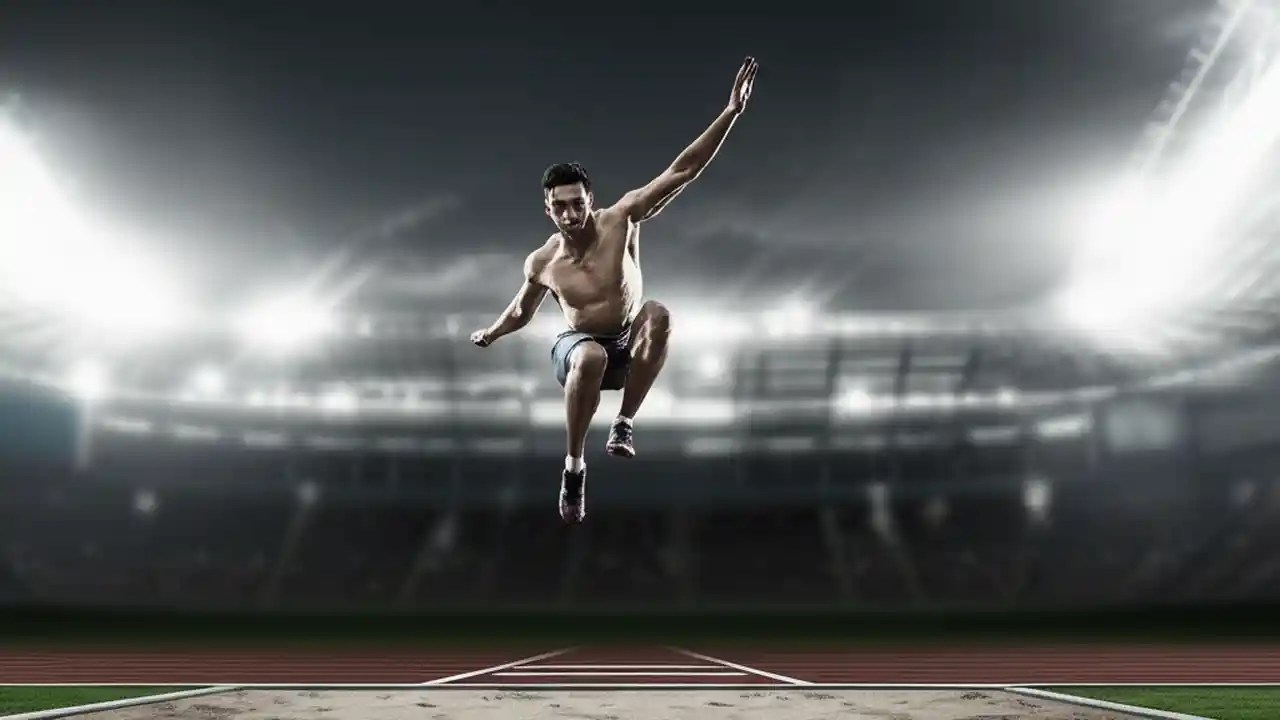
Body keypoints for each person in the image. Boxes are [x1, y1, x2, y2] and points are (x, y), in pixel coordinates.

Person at [470, 57, 759, 523]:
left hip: (626, 343)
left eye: (577, 204)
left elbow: (681, 171)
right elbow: (522, 312)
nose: (570, 215)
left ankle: (623, 423)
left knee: (660, 314)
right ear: (548, 211)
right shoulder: (542, 262)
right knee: (590, 355)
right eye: (560, 207)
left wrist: (730, 114)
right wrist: (493, 331)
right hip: (579, 351)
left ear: (591, 201)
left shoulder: (621, 218)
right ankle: (574, 469)